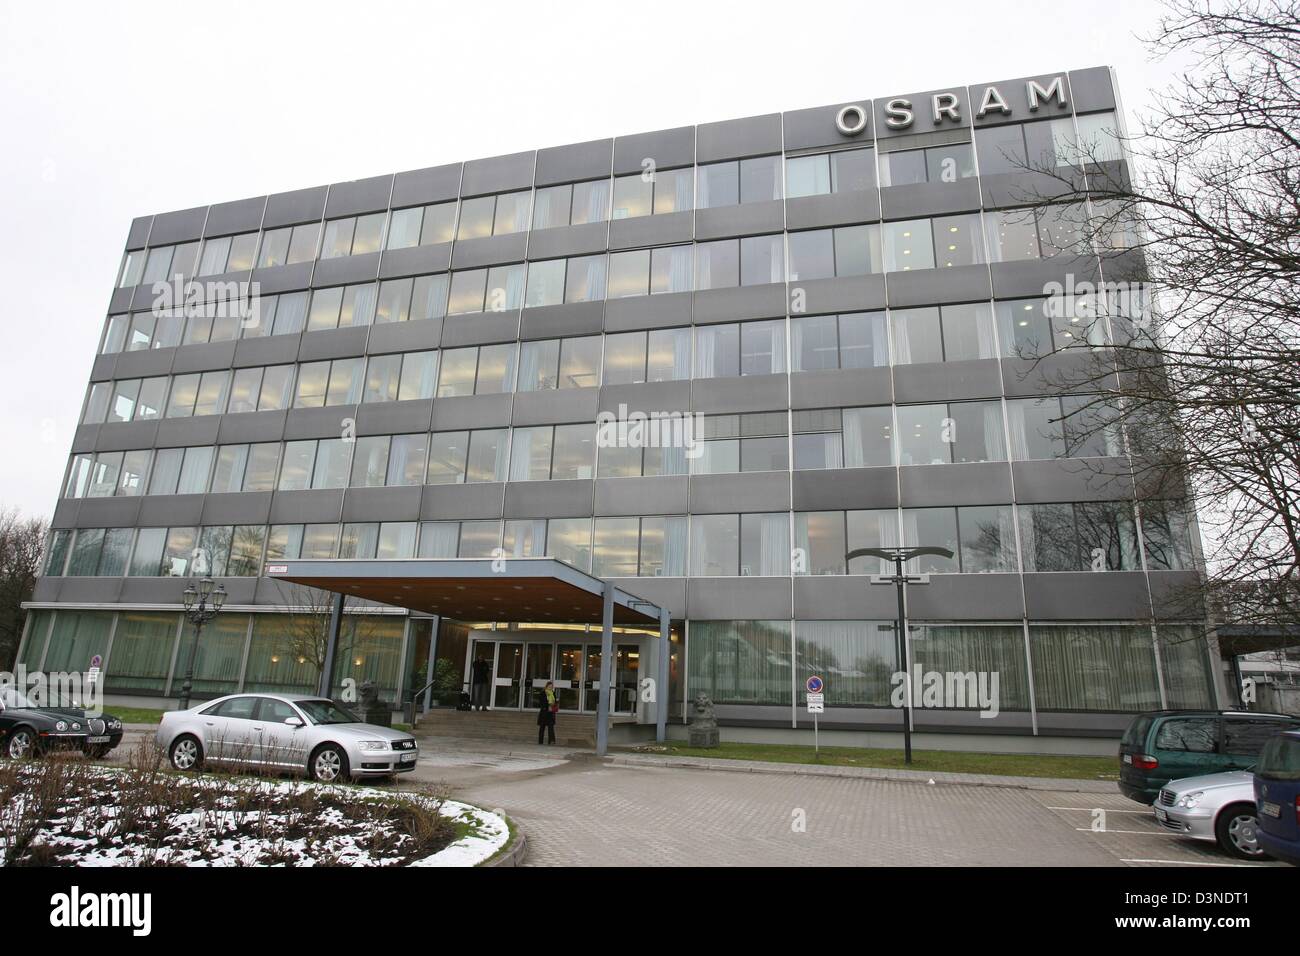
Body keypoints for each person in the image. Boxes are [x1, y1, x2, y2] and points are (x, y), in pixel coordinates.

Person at [537, 680, 558, 745]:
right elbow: (541, 702)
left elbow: (555, 701)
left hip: (551, 713)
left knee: (551, 727)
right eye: (549, 686)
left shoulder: (553, 693)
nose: (550, 687)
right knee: (542, 727)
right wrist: (548, 705)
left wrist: (555, 702)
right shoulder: (543, 693)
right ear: (546, 686)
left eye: (551, 686)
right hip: (544, 712)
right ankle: (540, 741)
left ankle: (551, 741)